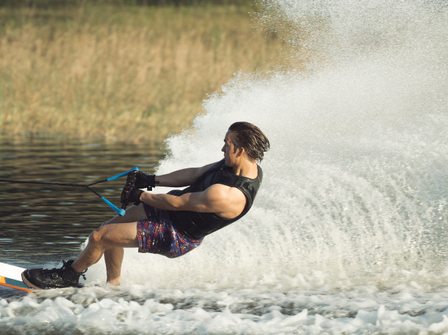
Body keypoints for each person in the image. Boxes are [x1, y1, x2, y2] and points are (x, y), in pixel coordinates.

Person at [22, 121, 270, 288]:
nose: (222, 148)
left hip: (176, 233)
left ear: (241, 150)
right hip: (169, 212)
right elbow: (195, 173)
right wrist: (151, 180)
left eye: (227, 144)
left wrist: (139, 195)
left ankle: (68, 277)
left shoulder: (228, 195)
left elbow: (178, 202)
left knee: (100, 237)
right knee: (110, 228)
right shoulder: (235, 164)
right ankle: (113, 286)